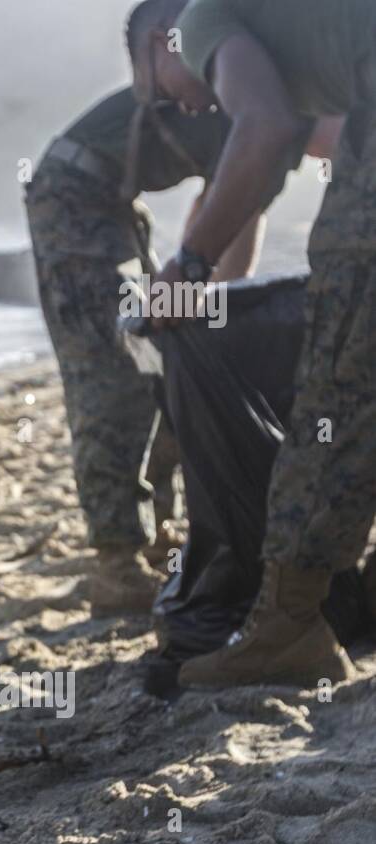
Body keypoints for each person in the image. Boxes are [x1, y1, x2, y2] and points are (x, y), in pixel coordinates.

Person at [126, 0, 375, 688]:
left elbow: (264, 131)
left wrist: (185, 270)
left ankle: (286, 629)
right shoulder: (310, 35)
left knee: (338, 393)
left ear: (160, 42)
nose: (189, 110)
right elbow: (298, 141)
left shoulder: (203, 16)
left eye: (163, 95)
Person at [25, 85, 308, 616]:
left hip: (114, 208)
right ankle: (116, 563)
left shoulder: (272, 108)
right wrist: (212, 307)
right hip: (74, 201)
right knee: (115, 372)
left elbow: (218, 213)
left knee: (164, 360)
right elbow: (232, 217)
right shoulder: (271, 106)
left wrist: (202, 308)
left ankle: (156, 533)